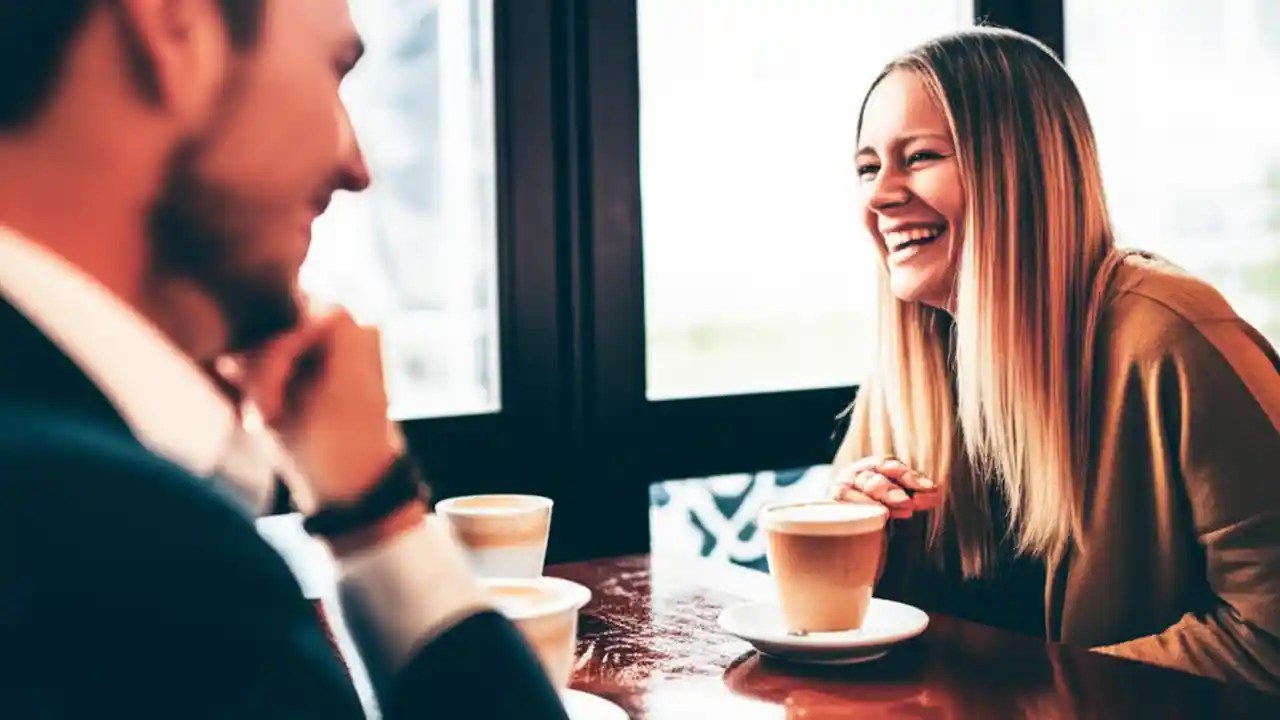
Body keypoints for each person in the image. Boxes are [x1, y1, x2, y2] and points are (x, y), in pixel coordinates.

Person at [0, 1, 568, 717]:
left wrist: (361, 505)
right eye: (334, 70)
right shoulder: (129, 554)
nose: (355, 166)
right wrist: (383, 527)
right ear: (172, 26)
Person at [831, 26, 1280, 691]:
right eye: (869, 167)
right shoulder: (908, 370)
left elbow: (1266, 638)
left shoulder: (1175, 339)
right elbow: (834, 626)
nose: (879, 195)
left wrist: (1041, 696)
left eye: (920, 156)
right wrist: (852, 553)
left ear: (1021, 169)